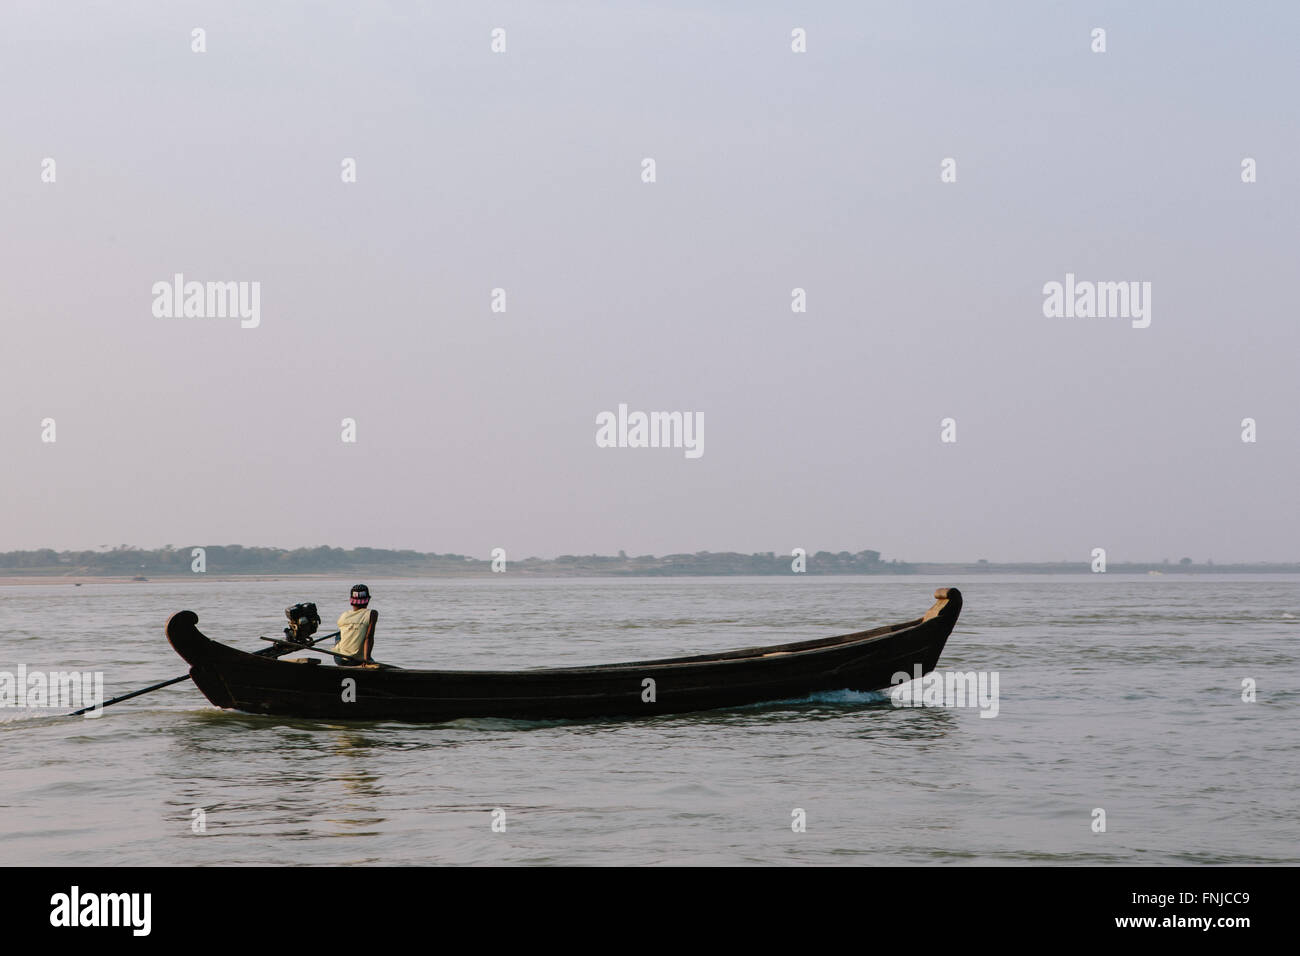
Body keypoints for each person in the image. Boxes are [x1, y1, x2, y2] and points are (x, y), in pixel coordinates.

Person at [336, 584, 378, 666]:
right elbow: (368, 637)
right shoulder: (372, 613)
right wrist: (367, 659)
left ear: (351, 600)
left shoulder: (344, 615)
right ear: (368, 599)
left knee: (338, 634)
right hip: (357, 660)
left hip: (339, 658)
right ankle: (364, 657)